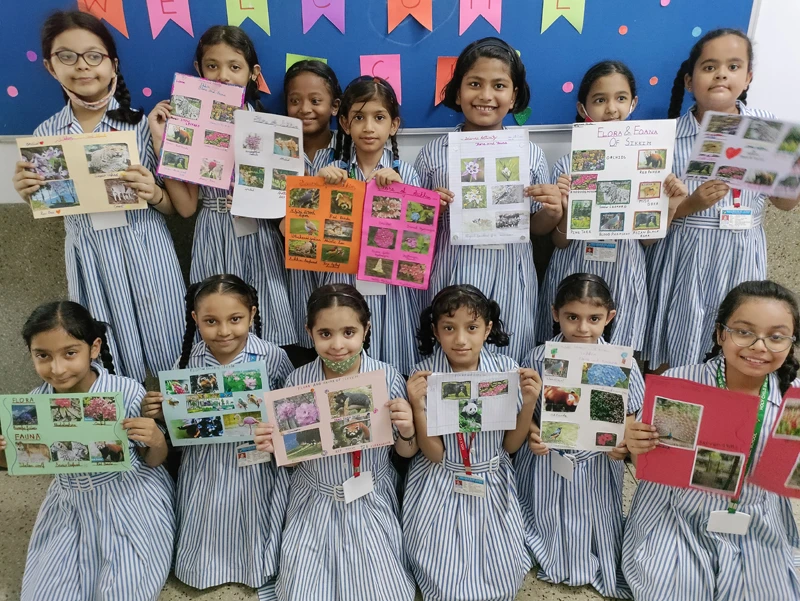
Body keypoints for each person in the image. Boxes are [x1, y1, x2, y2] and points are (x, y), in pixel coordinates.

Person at [12, 10, 185, 383]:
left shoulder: (142, 124)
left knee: (169, 342)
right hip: (88, 254)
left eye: (94, 56)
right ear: (49, 65)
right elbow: (59, 209)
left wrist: (153, 191)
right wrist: (31, 195)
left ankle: (171, 432)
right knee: (108, 348)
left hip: (145, 246)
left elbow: (174, 207)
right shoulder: (46, 135)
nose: (82, 67)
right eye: (67, 56)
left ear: (113, 64)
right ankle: (130, 424)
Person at [645, 29, 800, 371]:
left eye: (733, 66)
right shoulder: (666, 138)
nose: (721, 74)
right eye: (709, 66)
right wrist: (690, 205)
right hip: (684, 253)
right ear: (689, 81)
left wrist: (790, 174)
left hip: (741, 250)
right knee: (676, 342)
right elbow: (649, 220)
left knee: (739, 337)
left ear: (747, 78)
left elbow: (785, 204)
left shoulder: (764, 128)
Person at [0, 301, 175, 601]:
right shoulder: (33, 403)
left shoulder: (125, 391)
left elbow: (154, 460)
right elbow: (23, 460)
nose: (56, 368)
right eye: (42, 356)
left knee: (124, 592)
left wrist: (158, 441)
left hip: (129, 500)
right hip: (69, 503)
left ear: (94, 348)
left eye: (70, 353)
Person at [254, 284, 418, 601]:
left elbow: (405, 452)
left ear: (366, 329)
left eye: (349, 332)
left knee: (386, 592)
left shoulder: (386, 376)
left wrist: (408, 430)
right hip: (314, 496)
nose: (338, 345)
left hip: (370, 495)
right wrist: (279, 446)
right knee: (300, 592)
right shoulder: (297, 381)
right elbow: (296, 459)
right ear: (309, 332)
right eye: (325, 334)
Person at [148, 25, 297, 349]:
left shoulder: (270, 127)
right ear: (199, 70)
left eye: (234, 66)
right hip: (213, 233)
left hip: (260, 235)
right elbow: (186, 208)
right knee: (218, 330)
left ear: (252, 73)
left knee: (268, 324)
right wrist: (164, 146)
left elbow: (286, 204)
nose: (223, 76)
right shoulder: (187, 124)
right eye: (212, 66)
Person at [414, 37, 562, 363]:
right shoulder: (433, 155)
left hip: (511, 272)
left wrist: (553, 211)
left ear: (514, 96)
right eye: (474, 84)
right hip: (452, 270)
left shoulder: (531, 154)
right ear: (457, 92)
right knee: (452, 356)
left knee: (508, 360)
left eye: (499, 85)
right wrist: (428, 210)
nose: (485, 95)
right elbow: (414, 229)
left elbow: (537, 226)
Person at [141, 274, 293, 592]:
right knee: (207, 514)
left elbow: (289, 409)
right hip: (205, 463)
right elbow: (178, 423)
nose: (224, 331)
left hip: (257, 463)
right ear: (196, 319)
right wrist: (160, 413)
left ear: (252, 314)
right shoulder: (188, 361)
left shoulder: (272, 357)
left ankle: (254, 568)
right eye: (211, 321)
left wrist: (276, 427)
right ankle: (204, 569)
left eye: (235, 319)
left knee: (251, 512)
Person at [536, 61, 687, 350]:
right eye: (600, 100)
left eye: (621, 98)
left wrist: (670, 207)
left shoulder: (651, 162)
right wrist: (566, 205)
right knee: (566, 350)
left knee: (617, 357)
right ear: (583, 109)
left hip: (625, 268)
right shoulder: (569, 164)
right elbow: (560, 240)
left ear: (634, 103)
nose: (611, 109)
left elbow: (649, 239)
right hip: (574, 264)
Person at [403, 285, 540, 600]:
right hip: (440, 479)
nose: (460, 339)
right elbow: (434, 454)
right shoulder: (426, 376)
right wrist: (417, 406)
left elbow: (509, 447)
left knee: (502, 575)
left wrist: (529, 401)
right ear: (436, 331)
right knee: (439, 574)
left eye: (472, 327)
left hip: (492, 478)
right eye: (449, 328)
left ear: (488, 329)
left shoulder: (505, 371)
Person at [516, 273, 644, 599]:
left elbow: (628, 420)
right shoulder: (537, 356)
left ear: (609, 318)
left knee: (595, 519)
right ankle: (547, 543)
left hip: (597, 463)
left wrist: (622, 447)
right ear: (555, 313)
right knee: (545, 514)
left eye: (594, 319)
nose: (582, 328)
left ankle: (590, 548)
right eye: (573, 317)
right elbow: (528, 415)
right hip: (549, 458)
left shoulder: (619, 362)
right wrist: (534, 435)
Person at [317, 76, 423, 376]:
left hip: (390, 285)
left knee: (391, 347)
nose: (368, 127)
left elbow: (417, 239)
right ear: (345, 123)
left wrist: (402, 193)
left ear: (393, 125)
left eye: (379, 118)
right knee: (345, 347)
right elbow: (309, 225)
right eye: (359, 118)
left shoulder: (407, 173)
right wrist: (321, 185)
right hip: (343, 276)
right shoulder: (329, 167)